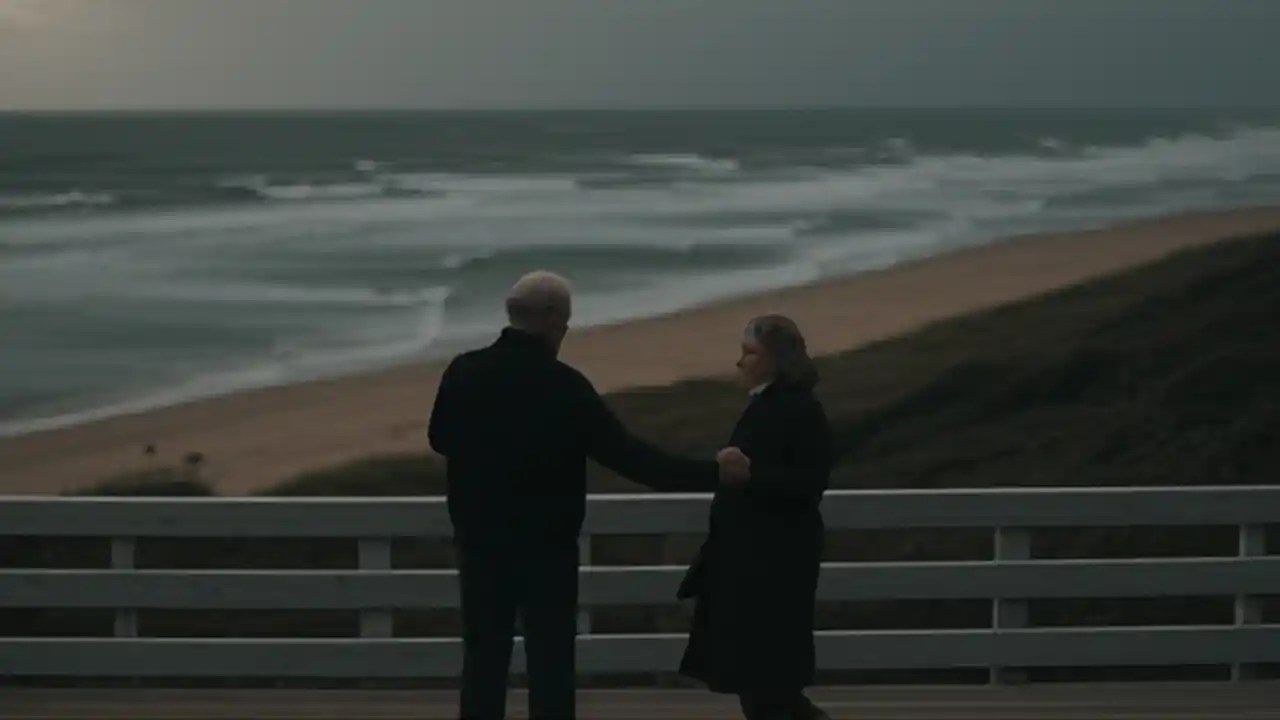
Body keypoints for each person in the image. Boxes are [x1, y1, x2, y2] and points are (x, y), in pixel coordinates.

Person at [428, 270, 716, 720]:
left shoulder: (463, 372)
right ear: (549, 321)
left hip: (480, 544)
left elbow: (439, 438)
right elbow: (634, 459)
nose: (564, 330)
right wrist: (716, 474)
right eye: (564, 322)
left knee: (483, 663)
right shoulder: (565, 386)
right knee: (551, 666)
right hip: (548, 549)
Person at [680, 315, 834, 720]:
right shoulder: (771, 404)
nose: (740, 363)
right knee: (760, 685)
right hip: (753, 562)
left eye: (750, 353)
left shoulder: (798, 408)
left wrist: (751, 475)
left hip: (773, 565)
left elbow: (808, 485)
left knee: (770, 688)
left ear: (775, 360)